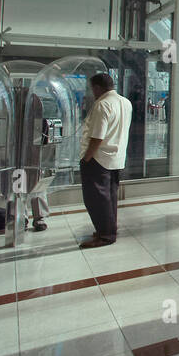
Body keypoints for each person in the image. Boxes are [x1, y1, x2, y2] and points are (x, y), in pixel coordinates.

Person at [79, 72, 133, 248]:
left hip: (98, 159)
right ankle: (108, 229)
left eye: (92, 89)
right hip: (116, 158)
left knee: (96, 199)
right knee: (109, 198)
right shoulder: (125, 102)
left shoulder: (102, 104)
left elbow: (97, 137)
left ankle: (105, 235)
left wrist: (87, 158)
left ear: (97, 87)